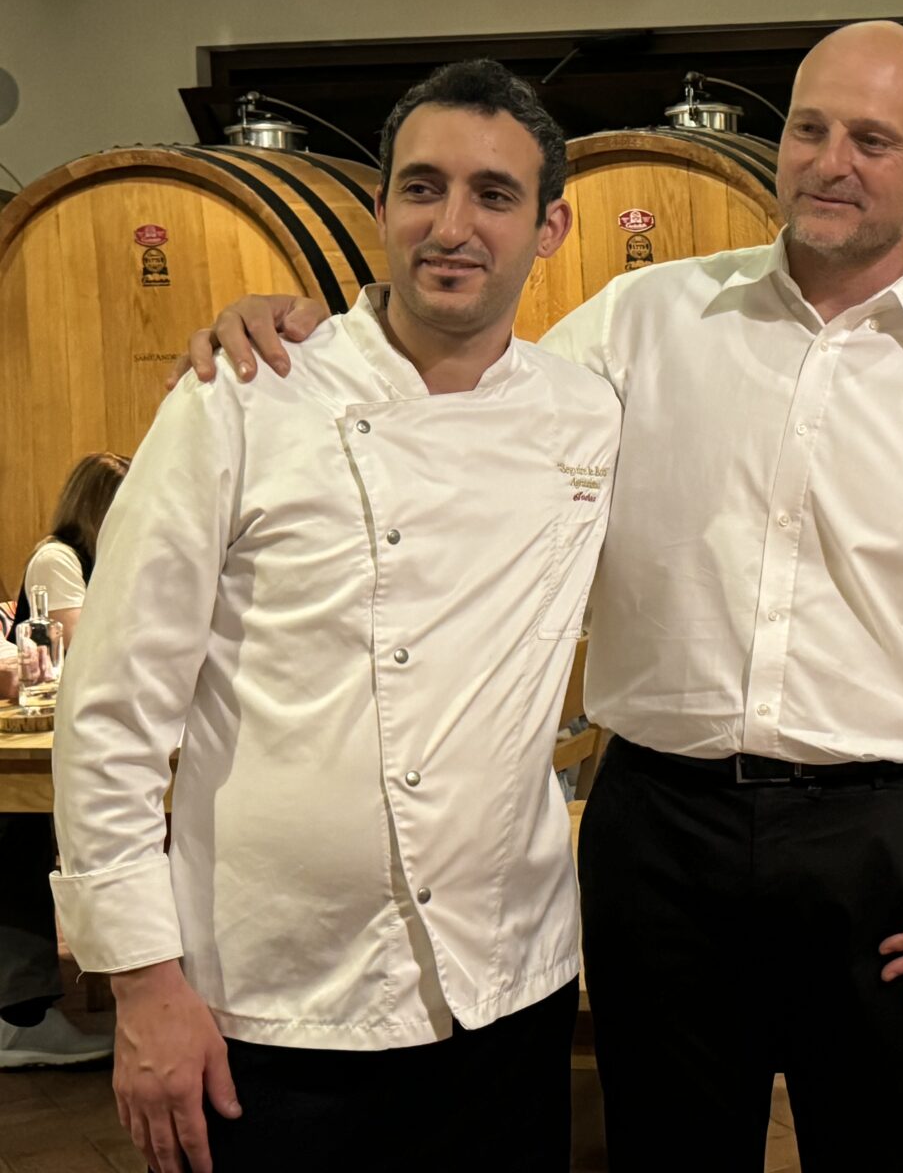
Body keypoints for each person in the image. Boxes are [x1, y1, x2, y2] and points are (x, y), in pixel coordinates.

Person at [188, 20, 903, 1172]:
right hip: (658, 838)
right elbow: (465, 395)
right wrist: (315, 336)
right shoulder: (643, 323)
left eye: (873, 139)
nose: (830, 160)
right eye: (810, 128)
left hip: (891, 847)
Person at [55, 60, 621, 1173]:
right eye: (421, 188)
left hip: (506, 991)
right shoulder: (242, 394)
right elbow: (113, 708)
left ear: (549, 227)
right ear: (377, 208)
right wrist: (141, 983)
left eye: (492, 196)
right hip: (269, 1000)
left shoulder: (584, 412)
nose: (449, 227)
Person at [0, 451, 127, 1072]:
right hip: (44, 722)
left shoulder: (103, 559)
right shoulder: (58, 557)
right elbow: (85, 641)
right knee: (18, 829)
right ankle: (19, 1018)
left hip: (79, 722)